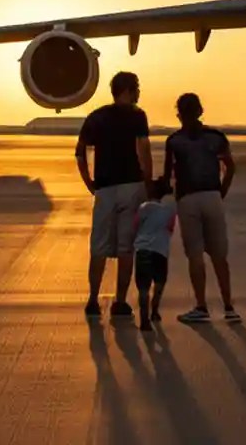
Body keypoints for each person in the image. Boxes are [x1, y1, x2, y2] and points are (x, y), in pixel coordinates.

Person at [75, 71, 153, 318]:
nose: (139, 93)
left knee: (98, 247)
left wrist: (89, 182)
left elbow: (80, 152)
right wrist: (147, 184)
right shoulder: (137, 117)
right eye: (137, 88)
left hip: (105, 188)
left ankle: (92, 300)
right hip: (131, 186)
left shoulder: (96, 117)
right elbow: (144, 151)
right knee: (126, 248)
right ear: (128, 90)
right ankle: (120, 302)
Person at [164, 93, 239, 324]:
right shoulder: (216, 137)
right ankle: (229, 307)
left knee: (195, 255)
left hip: (188, 199)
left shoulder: (174, 141)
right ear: (200, 111)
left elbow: (168, 176)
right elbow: (230, 167)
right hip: (212, 196)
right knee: (219, 256)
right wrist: (220, 192)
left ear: (179, 114)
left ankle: (201, 306)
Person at [133, 176, 176, 332]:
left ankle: (144, 320)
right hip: (160, 251)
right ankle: (155, 310)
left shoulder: (143, 208)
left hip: (143, 250)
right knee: (159, 282)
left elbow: (136, 224)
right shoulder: (169, 211)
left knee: (143, 288)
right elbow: (170, 229)